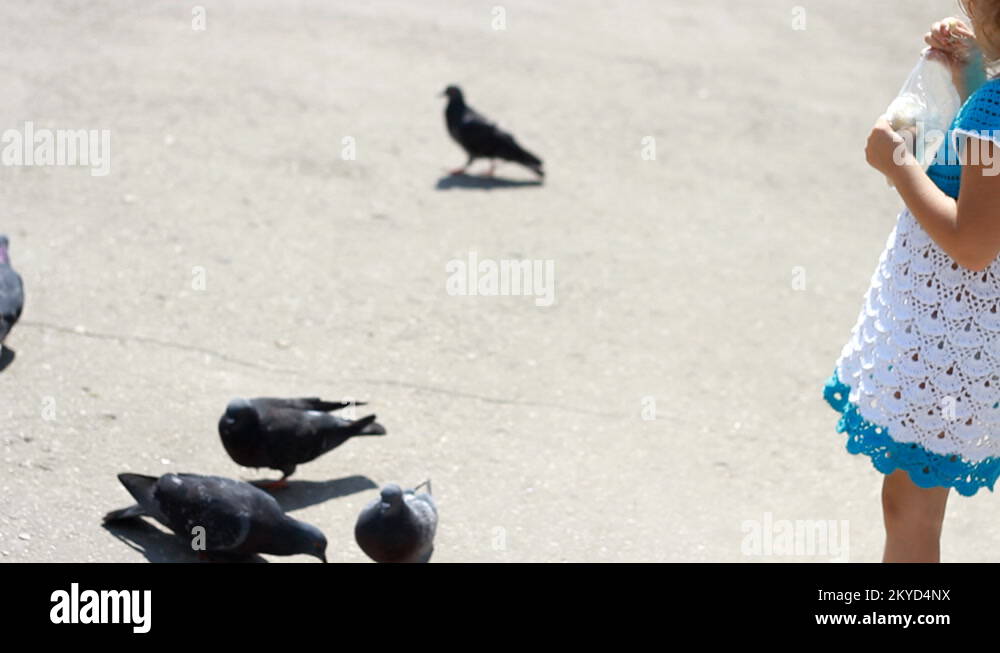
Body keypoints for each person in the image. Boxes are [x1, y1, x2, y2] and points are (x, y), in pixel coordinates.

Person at [824, 3, 1000, 563]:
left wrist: (898, 164)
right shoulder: (992, 104)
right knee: (912, 502)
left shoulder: (995, 115)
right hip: (974, 336)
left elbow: (974, 242)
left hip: (959, 339)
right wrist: (969, 75)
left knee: (910, 507)